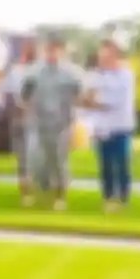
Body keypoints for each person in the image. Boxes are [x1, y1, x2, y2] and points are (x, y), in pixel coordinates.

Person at [21, 34, 82, 211]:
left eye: (55, 51)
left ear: (62, 52)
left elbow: (80, 95)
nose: (51, 54)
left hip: (60, 124)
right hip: (37, 122)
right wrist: (27, 109)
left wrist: (74, 117)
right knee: (34, 158)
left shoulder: (71, 74)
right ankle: (33, 193)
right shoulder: (34, 72)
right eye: (48, 50)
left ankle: (60, 198)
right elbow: (25, 94)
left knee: (58, 161)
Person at [81, 40, 137, 212]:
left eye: (107, 55)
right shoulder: (95, 75)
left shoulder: (126, 76)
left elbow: (114, 101)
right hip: (102, 127)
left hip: (121, 126)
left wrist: (94, 101)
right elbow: (84, 98)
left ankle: (122, 197)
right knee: (105, 164)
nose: (103, 59)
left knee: (121, 163)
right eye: (101, 55)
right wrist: (92, 101)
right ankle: (108, 197)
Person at [0, 41, 38, 206]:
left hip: (36, 121)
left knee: (30, 158)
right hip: (22, 120)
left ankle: (32, 191)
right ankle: (27, 193)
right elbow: (6, 95)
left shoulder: (37, 73)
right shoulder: (17, 72)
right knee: (24, 158)